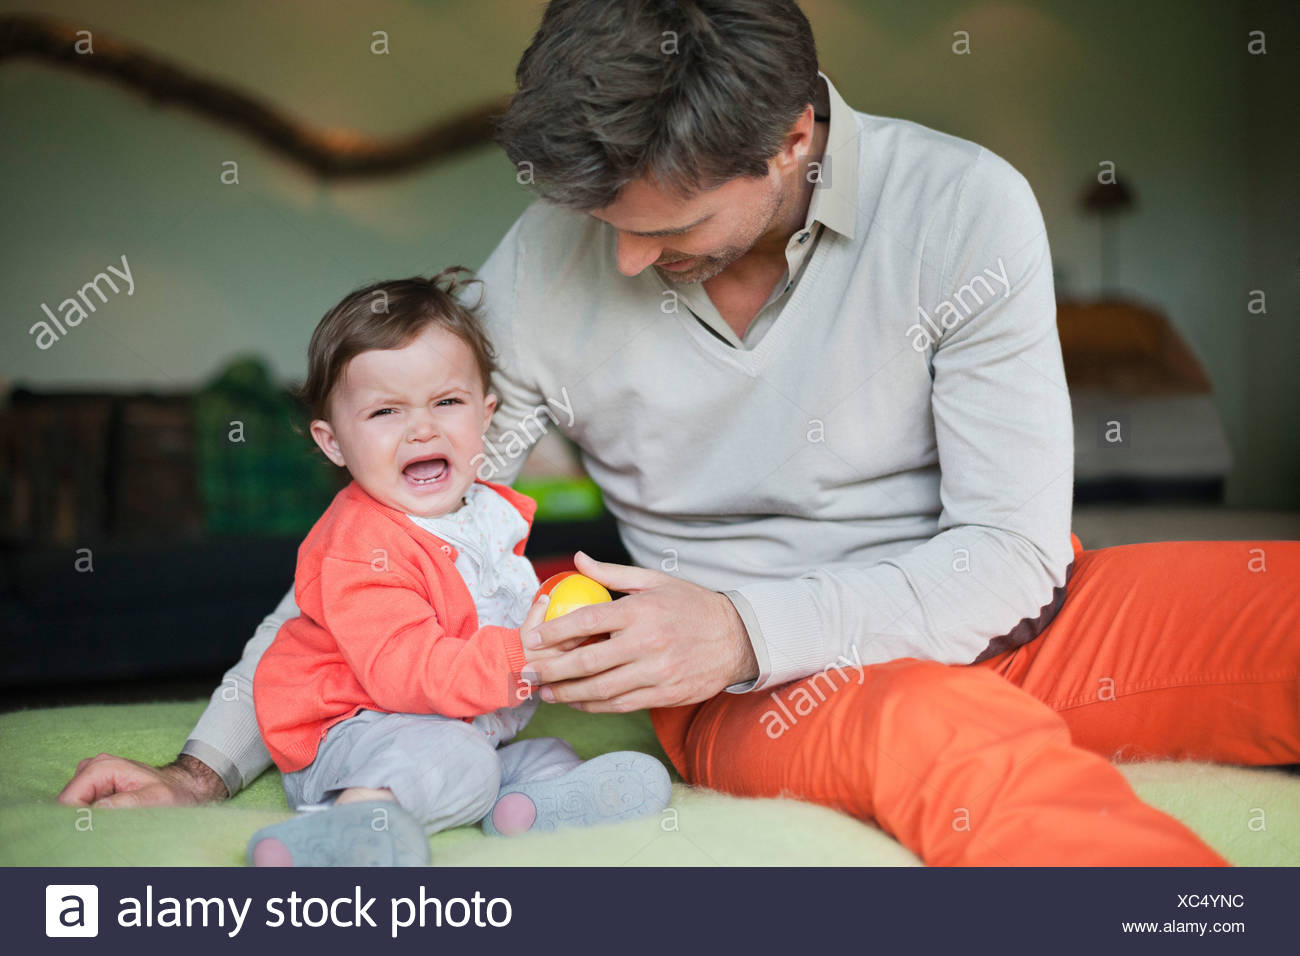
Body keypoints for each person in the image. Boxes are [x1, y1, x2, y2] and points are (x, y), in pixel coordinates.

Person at [59, 0, 1299, 866]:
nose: (623, 255)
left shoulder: (963, 206)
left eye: (670, 225)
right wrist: (205, 763)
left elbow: (1009, 552)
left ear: (793, 137)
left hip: (1018, 614)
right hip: (751, 686)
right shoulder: (550, 263)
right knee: (959, 737)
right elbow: (379, 546)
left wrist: (754, 613)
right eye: (600, 214)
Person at [243, 268, 669, 865]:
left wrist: (557, 637)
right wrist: (521, 655)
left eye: (447, 402)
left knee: (540, 756)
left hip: (452, 724)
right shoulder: (360, 542)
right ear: (333, 441)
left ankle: (530, 809)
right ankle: (350, 823)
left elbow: (491, 614)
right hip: (351, 733)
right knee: (460, 760)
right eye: (386, 412)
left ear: (485, 415)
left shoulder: (482, 518)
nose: (422, 428)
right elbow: (403, 670)